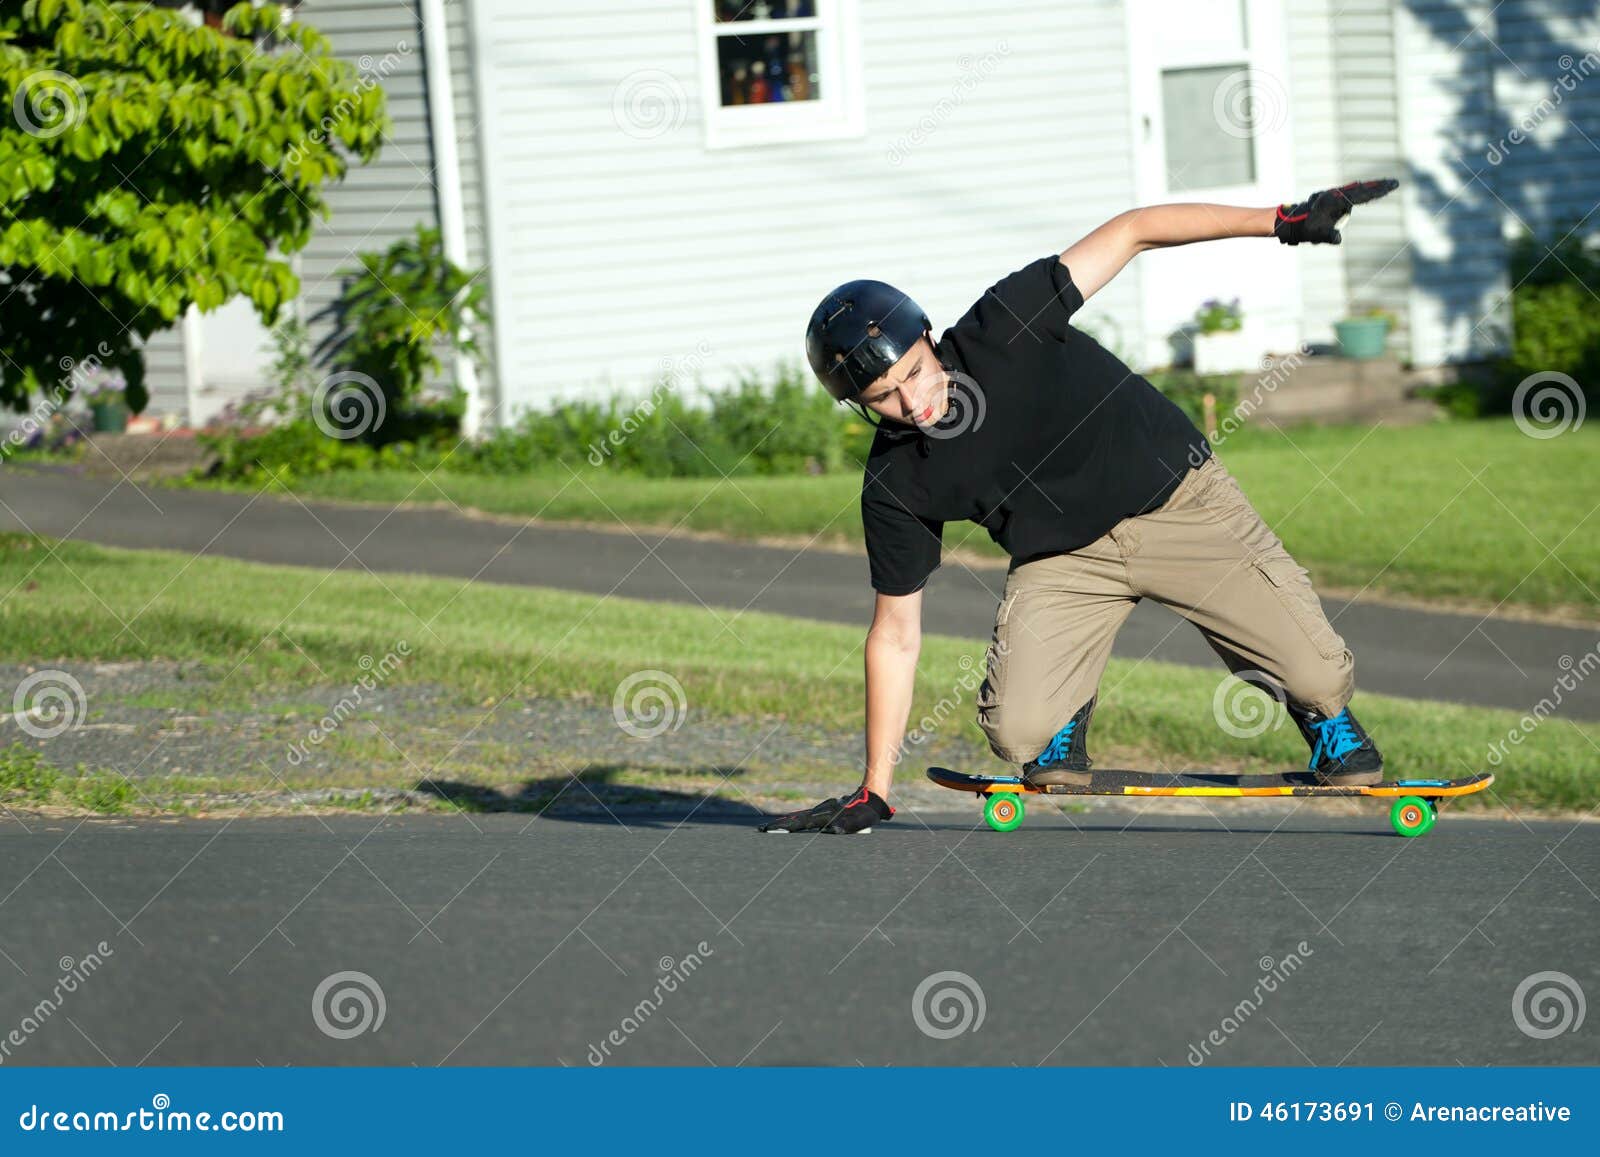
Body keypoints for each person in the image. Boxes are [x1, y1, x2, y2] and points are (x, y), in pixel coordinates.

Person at [760, 180, 1401, 835]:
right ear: (859, 405)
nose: (914, 402)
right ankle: (1064, 717)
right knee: (1017, 732)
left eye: (917, 372)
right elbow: (895, 635)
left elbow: (1135, 229)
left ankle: (1324, 720)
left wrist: (1280, 220)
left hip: (1177, 503)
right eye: (886, 398)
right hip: (1063, 560)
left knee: (1318, 675)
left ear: (928, 336)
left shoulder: (1005, 325)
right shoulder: (897, 478)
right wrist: (875, 788)